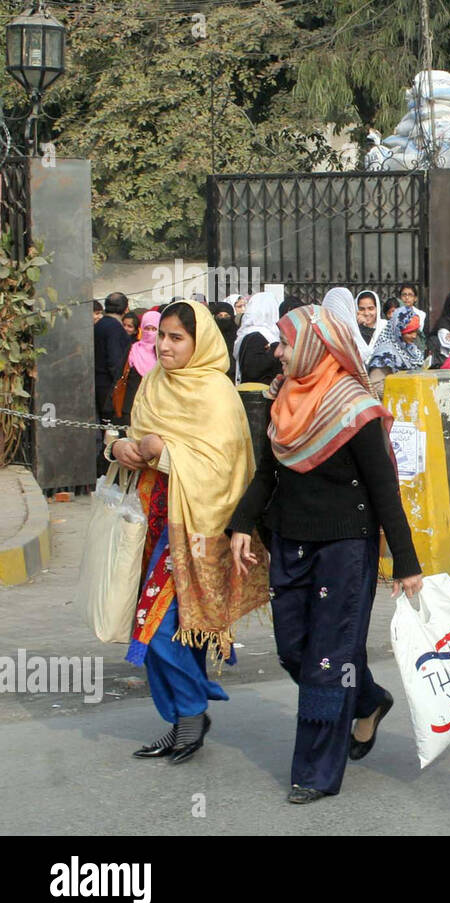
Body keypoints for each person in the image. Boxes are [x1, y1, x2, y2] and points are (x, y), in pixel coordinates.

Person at [229, 302, 422, 803]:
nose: (278, 351)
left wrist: (405, 561)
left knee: (326, 660)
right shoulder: (281, 400)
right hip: (290, 541)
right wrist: (242, 524)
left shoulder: (353, 409)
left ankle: (314, 772)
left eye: (287, 343)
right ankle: (370, 701)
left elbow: (384, 490)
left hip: (346, 547)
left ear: (315, 347)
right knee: (294, 649)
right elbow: (267, 474)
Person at [106, 300, 270, 764]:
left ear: (200, 343)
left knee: (157, 628)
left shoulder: (217, 393)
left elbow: (226, 470)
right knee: (180, 630)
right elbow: (133, 435)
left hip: (195, 528)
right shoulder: (155, 382)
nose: (165, 345)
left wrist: (164, 454)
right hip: (151, 520)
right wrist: (121, 447)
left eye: (177, 338)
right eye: (162, 336)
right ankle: (184, 721)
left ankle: (192, 713)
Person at [94, 292, 135, 473]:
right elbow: (115, 361)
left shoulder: (99, 325)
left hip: (97, 381)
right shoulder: (115, 329)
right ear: (126, 309)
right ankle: (105, 467)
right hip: (108, 386)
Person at [105, 310, 161, 428]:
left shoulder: (163, 353)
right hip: (130, 408)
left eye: (154, 329)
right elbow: (120, 375)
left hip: (156, 409)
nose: (150, 333)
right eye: (147, 328)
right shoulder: (133, 350)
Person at [366, 304, 426, 398]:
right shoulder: (385, 354)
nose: (414, 336)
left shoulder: (410, 349)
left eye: (415, 331)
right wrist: (404, 391)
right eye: (409, 332)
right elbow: (376, 386)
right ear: (398, 331)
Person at [233, 292, 282, 386]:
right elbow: (253, 369)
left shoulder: (247, 332)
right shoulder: (257, 336)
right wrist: (274, 348)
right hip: (259, 393)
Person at [355, 289, 384, 363]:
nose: (366, 313)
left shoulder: (385, 327)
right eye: (361, 309)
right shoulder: (352, 330)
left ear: (377, 309)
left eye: (371, 308)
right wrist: (362, 329)